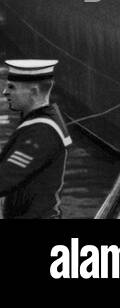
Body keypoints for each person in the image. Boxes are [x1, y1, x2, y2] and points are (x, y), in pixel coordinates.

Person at [0, 59, 71, 219]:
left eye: (12, 87)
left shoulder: (41, 132)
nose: (5, 92)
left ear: (33, 92)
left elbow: (5, 178)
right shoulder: (43, 121)